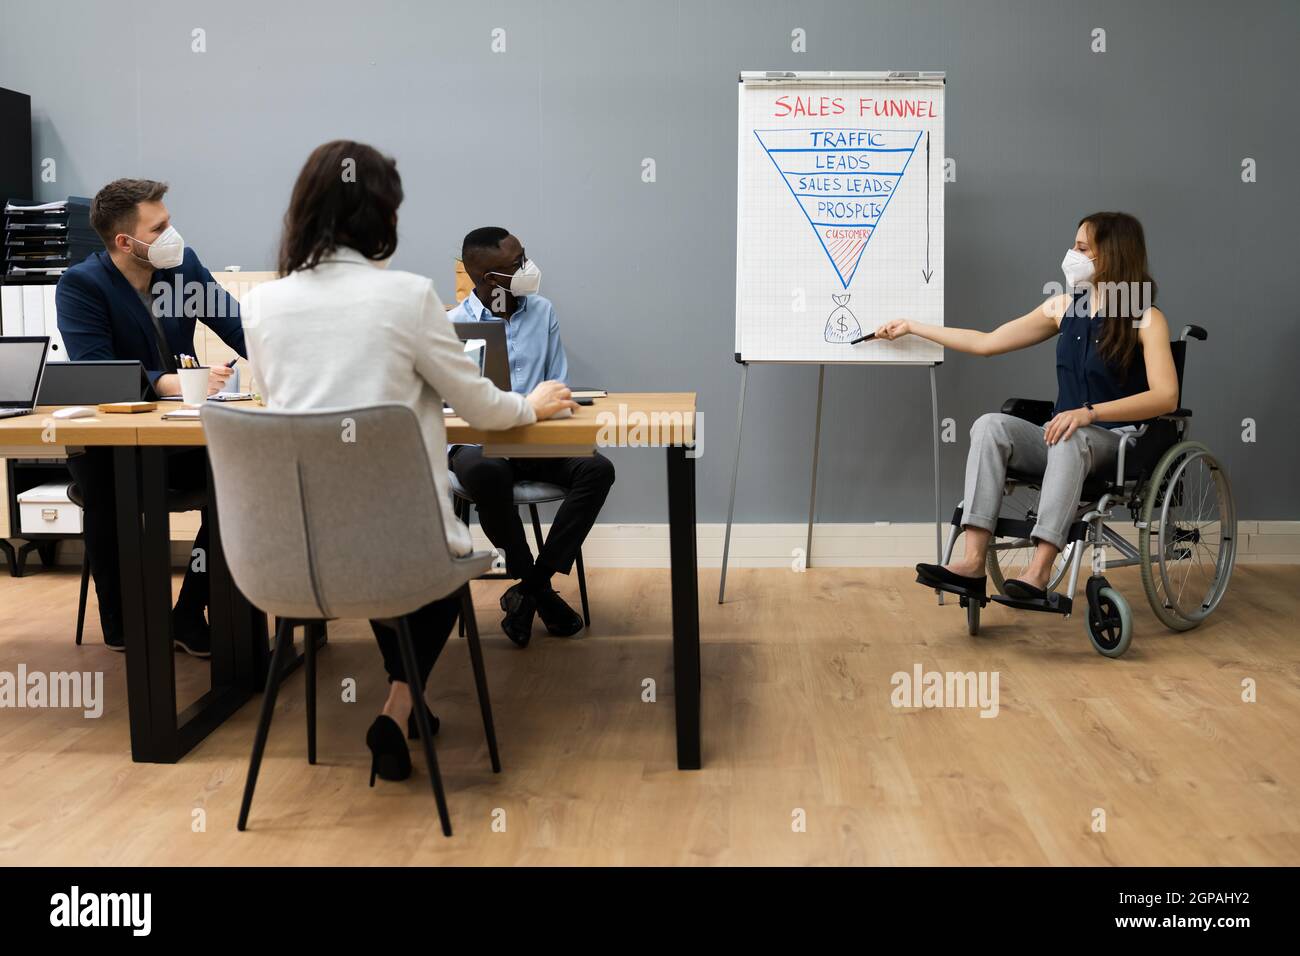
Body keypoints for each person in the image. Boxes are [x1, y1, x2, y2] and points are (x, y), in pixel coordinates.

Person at [241, 141, 575, 783]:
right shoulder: (409, 298)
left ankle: (401, 706)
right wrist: (529, 404)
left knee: (374, 545)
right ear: (379, 217)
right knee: (432, 563)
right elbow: (482, 406)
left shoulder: (260, 307)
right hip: (401, 544)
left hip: (293, 552)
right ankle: (397, 707)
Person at [875, 212, 1179, 601]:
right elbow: (987, 342)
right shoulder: (1064, 308)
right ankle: (971, 563)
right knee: (990, 425)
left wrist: (1090, 413)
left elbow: (1166, 396)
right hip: (1060, 436)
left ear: (1112, 255)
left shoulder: (1147, 319)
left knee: (1071, 434)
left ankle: (1039, 571)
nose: (1072, 254)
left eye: (1082, 248)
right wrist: (914, 326)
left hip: (1115, 442)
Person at [56, 179, 247, 655]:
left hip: (179, 440)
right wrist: (167, 383)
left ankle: (189, 612)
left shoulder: (182, 268)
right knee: (110, 486)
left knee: (245, 480)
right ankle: (122, 620)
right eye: (159, 227)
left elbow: (240, 327)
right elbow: (96, 370)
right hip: (110, 446)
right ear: (126, 242)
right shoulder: (82, 285)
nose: (172, 233)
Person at [448, 227, 616, 647]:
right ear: (490, 280)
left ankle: (529, 588)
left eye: (525, 256)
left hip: (537, 438)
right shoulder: (449, 327)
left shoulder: (542, 312)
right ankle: (540, 594)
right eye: (515, 264)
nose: (528, 268)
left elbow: (558, 386)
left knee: (598, 470)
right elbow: (448, 405)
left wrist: (540, 411)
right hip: (476, 444)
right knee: (488, 473)